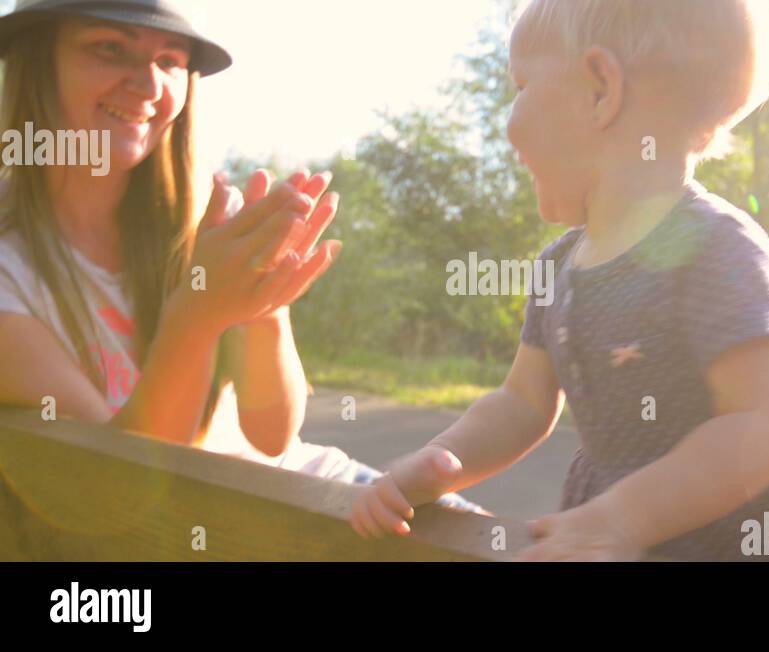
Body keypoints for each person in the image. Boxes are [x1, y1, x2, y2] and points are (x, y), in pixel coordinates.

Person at [351, 0, 769, 561]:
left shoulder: (718, 249)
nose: (509, 126)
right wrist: (438, 460)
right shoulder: (557, 267)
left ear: (601, 87)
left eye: (520, 88)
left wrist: (621, 518)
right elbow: (521, 404)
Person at [0, 0, 482, 513]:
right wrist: (198, 314)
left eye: (170, 61)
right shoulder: (13, 274)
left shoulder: (204, 225)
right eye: (109, 49)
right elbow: (125, 482)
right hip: (244, 524)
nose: (147, 85)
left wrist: (265, 305)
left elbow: (273, 435)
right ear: (38, 60)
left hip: (323, 495)